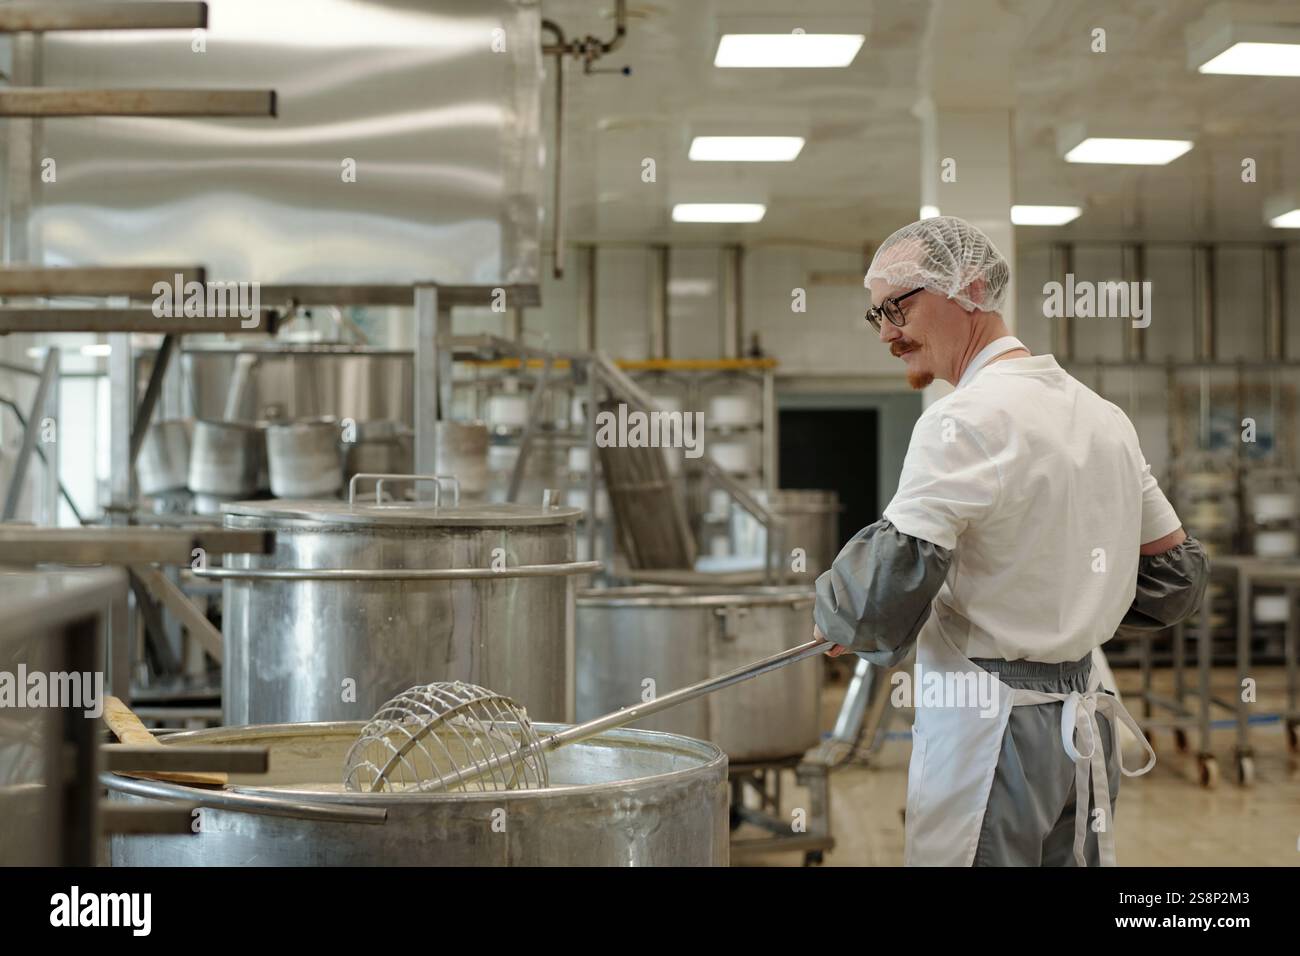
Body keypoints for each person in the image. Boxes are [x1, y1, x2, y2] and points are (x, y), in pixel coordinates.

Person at [814, 216, 1209, 866]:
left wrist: (836, 612)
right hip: (1084, 724)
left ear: (968, 288)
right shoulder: (1104, 417)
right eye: (874, 314)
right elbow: (1175, 581)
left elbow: (877, 599)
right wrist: (1074, 609)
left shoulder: (964, 421)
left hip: (989, 732)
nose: (886, 331)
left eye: (896, 306)